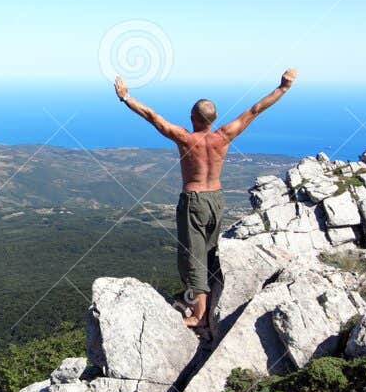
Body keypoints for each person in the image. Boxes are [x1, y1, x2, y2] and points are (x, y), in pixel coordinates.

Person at [114, 68, 298, 329]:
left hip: (195, 201)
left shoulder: (186, 138)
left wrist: (126, 97)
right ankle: (203, 301)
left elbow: (153, 117)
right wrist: (283, 88)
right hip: (217, 199)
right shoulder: (224, 135)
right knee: (209, 253)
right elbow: (255, 109)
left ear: (192, 117)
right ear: (214, 119)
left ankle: (198, 316)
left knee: (193, 256)